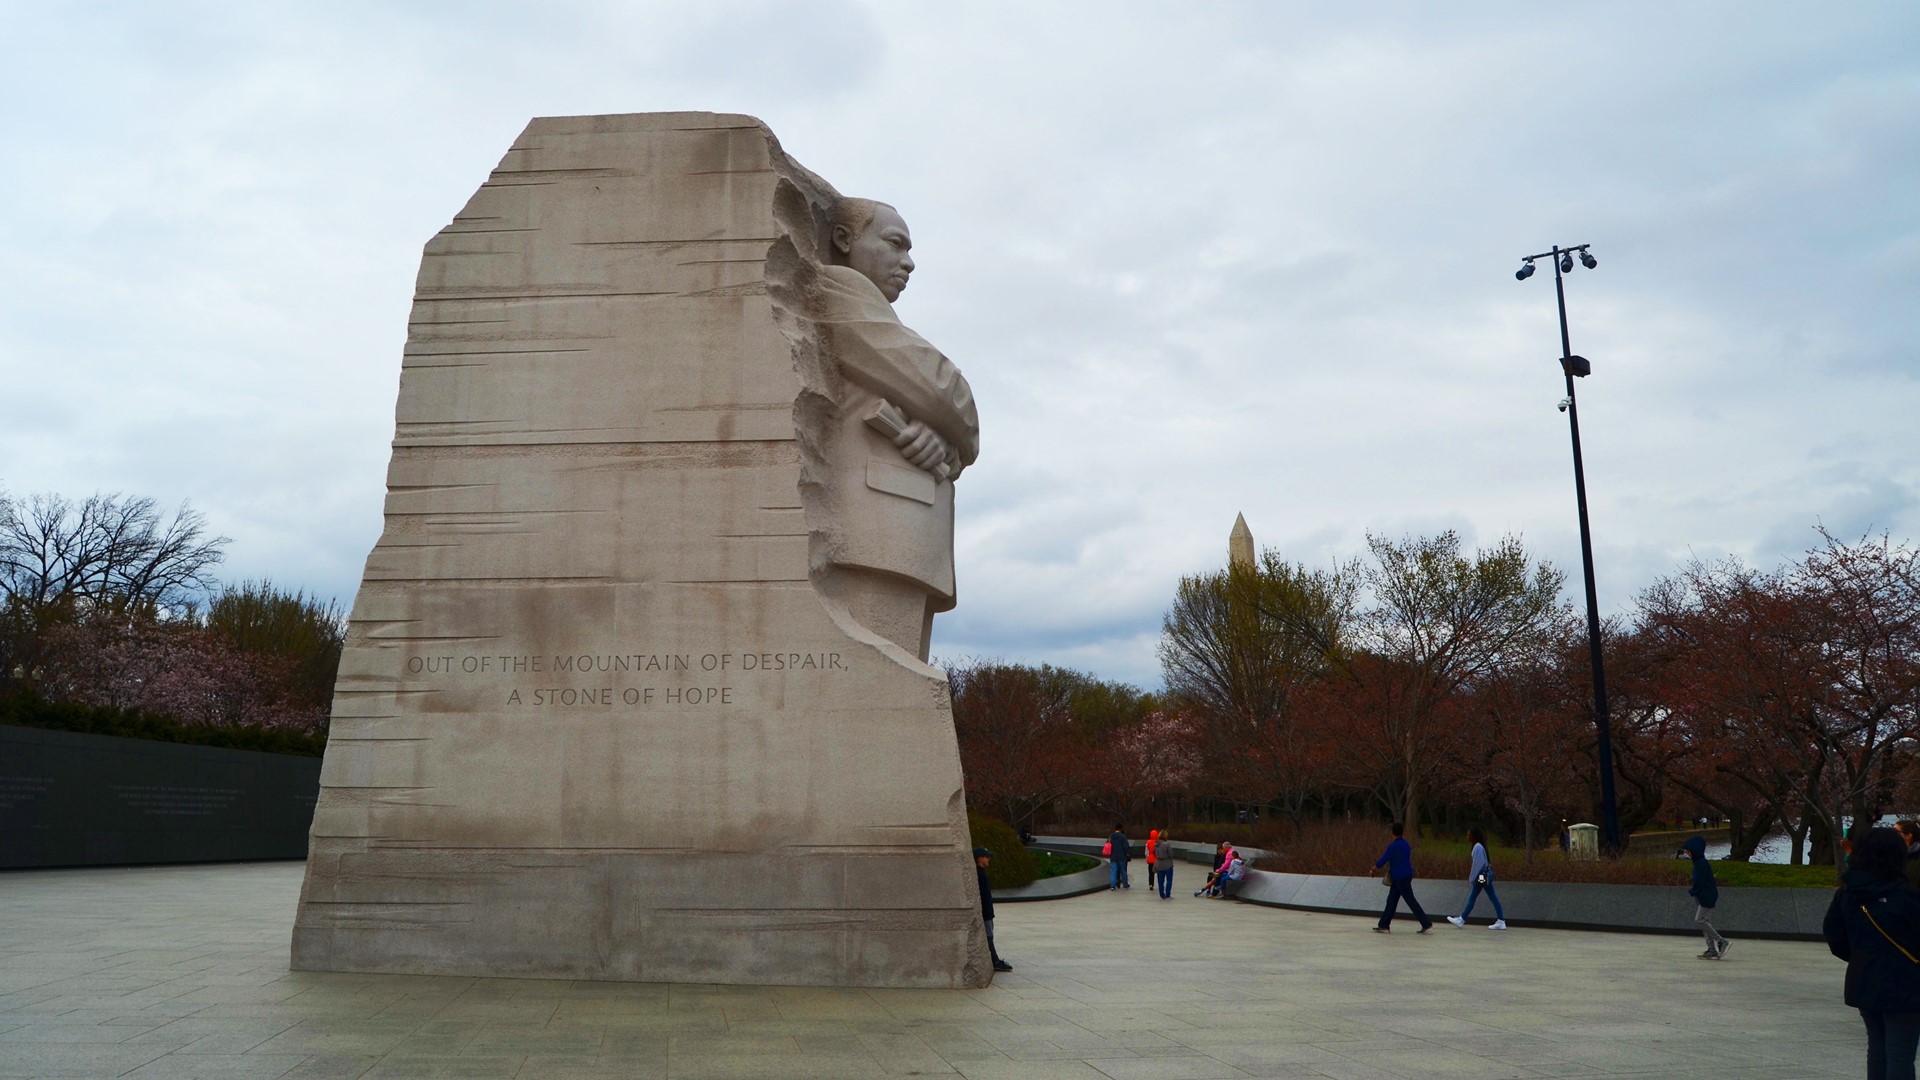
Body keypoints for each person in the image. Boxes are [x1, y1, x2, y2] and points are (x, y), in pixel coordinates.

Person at [806, 197, 980, 662]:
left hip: (899, 529)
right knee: (873, 679)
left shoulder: (876, 312)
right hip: (878, 530)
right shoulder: (837, 285)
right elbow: (944, 391)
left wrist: (944, 444)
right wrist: (958, 427)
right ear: (844, 239)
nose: (909, 262)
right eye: (894, 244)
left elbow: (932, 408)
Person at [1823, 827, 1920, 1080]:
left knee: (1877, 1048)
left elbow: (1834, 935)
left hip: (1864, 979)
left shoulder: (1847, 892)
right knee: (1900, 1054)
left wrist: (1861, 955)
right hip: (1907, 983)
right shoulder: (1908, 895)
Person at [1371, 822, 1433, 934]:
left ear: (1392, 833)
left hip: (1399, 877)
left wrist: (1374, 868)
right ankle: (1384, 925)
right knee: (1391, 900)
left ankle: (1427, 924)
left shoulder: (1393, 846)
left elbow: (1384, 859)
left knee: (1410, 901)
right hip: (1405, 876)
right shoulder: (1406, 845)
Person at [1447, 827, 1509, 930]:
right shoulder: (1480, 846)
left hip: (1481, 876)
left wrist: (1472, 878)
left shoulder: (1477, 847)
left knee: (1474, 897)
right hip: (1484, 875)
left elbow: (1478, 865)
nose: (1467, 836)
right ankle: (1501, 920)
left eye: (1469, 834)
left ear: (1473, 836)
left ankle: (1462, 920)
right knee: (1490, 897)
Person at [1680, 835, 1729, 959]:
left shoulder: (1701, 863)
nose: (1686, 854)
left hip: (1707, 895)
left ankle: (1721, 941)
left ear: (1693, 851)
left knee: (1700, 920)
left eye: (1687, 851)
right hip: (1703, 895)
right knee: (1704, 922)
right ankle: (1711, 949)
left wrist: (1693, 891)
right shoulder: (1698, 862)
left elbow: (1700, 881)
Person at [974, 847, 1014, 973]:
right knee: (988, 935)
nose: (988, 859)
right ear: (980, 858)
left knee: (989, 934)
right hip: (985, 911)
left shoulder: (980, 873)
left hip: (987, 911)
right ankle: (994, 960)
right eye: (986, 857)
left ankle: (994, 959)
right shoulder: (978, 874)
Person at [1108, 824, 1132, 890]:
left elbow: (1108, 844)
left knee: (1113, 871)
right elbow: (1126, 846)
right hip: (1121, 856)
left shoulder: (1111, 836)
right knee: (1123, 870)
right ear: (1121, 828)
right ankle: (1125, 884)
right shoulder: (1123, 836)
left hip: (1113, 856)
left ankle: (1113, 885)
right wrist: (1127, 853)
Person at [1897, 821, 1920, 889]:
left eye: (1896, 832)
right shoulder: (1891, 855)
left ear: (1908, 835)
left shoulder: (1916, 859)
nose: (1891, 834)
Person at [1155, 830, 1175, 899]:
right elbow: (1171, 854)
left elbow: (1155, 853)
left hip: (1159, 864)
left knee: (1160, 881)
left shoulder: (1156, 844)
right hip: (1168, 864)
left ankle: (1161, 894)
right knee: (1169, 880)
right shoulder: (1167, 844)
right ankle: (1167, 894)